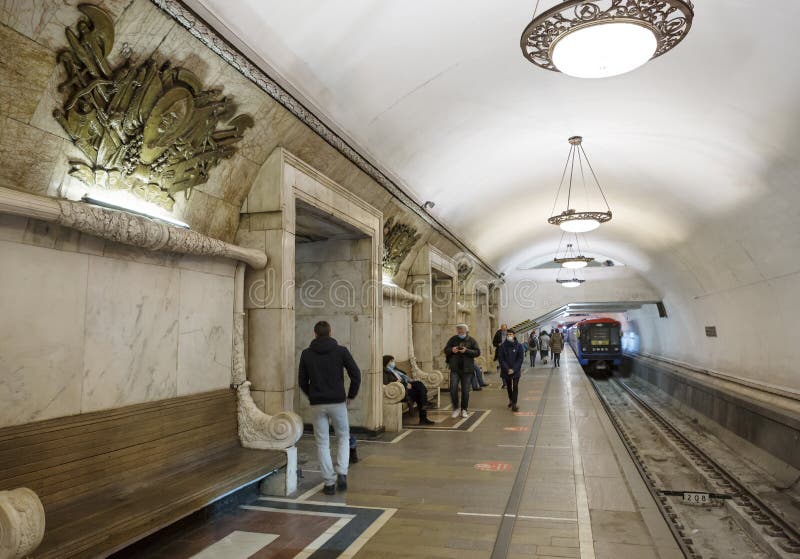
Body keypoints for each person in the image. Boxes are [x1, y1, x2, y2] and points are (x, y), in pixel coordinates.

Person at [298, 321, 361, 496]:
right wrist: (351, 395)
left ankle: (329, 483)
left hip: (317, 403)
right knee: (343, 437)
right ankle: (342, 473)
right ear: (330, 332)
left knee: (322, 442)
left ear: (315, 333)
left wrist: (312, 395)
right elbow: (356, 374)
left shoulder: (306, 354)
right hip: (338, 402)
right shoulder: (341, 351)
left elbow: (302, 381)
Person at [383, 355, 434, 425]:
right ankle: (423, 416)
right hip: (399, 391)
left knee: (419, 385)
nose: (393, 363)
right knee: (420, 394)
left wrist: (406, 383)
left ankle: (424, 409)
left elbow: (404, 375)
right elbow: (387, 384)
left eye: (393, 361)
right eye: (391, 361)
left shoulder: (394, 369)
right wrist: (404, 384)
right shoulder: (384, 372)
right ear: (386, 362)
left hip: (406, 386)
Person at [444, 323, 481, 419]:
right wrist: (452, 350)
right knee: (453, 389)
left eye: (462, 329)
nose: (460, 331)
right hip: (455, 368)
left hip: (467, 369)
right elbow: (446, 350)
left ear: (466, 330)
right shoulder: (453, 339)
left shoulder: (471, 340)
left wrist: (466, 351)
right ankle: (456, 408)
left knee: (465, 390)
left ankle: (464, 409)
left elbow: (477, 352)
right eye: (458, 329)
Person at [498, 329, 525, 412]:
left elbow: (520, 359)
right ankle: (510, 399)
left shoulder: (519, 346)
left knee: (515, 386)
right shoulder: (502, 346)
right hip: (506, 370)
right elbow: (501, 359)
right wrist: (507, 369)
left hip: (515, 370)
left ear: (514, 335)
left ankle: (514, 404)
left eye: (511, 334)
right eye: (508, 334)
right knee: (509, 386)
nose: (509, 336)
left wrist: (514, 369)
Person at [492, 324, 508, 388]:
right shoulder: (498, 333)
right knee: (503, 368)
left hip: (509, 354)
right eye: (502, 329)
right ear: (501, 328)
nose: (503, 330)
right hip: (500, 353)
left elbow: (515, 342)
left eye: (505, 329)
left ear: (506, 328)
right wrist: (498, 344)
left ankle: (507, 381)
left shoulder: (510, 333)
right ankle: (504, 383)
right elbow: (494, 342)